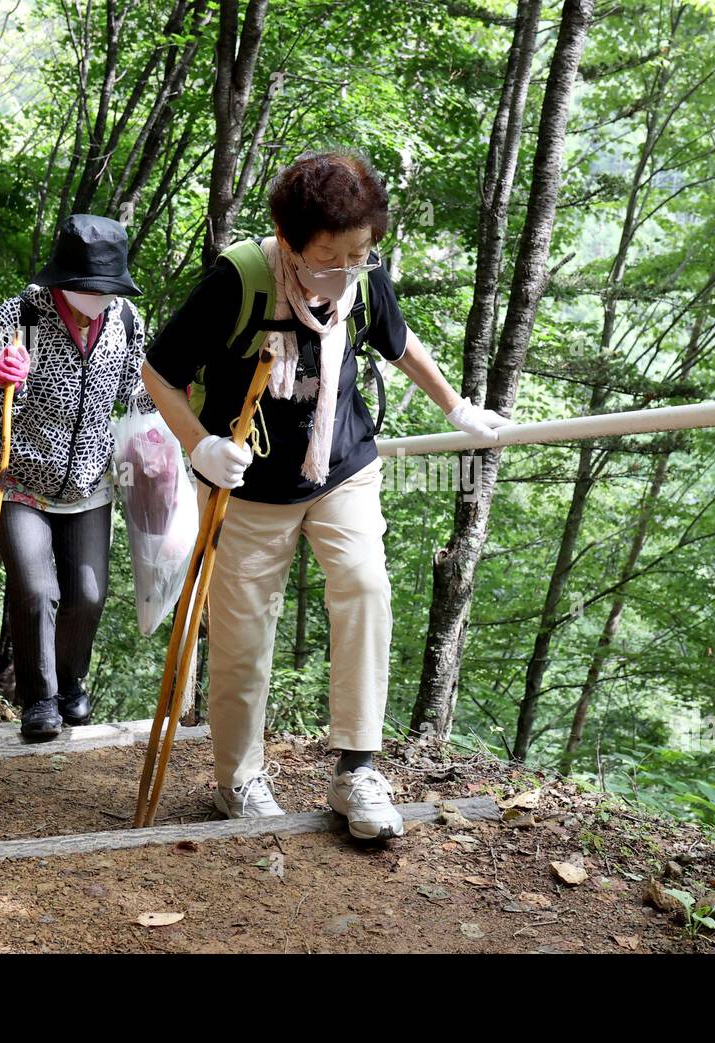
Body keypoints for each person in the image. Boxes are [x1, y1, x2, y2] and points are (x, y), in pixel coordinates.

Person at [143, 150, 508, 840]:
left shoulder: (363, 278)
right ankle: (239, 779)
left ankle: (357, 770)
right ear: (288, 243)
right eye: (330, 257)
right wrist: (199, 443)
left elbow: (399, 345)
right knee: (244, 633)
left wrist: (457, 408)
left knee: (366, 585)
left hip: (341, 466)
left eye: (361, 254)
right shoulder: (238, 280)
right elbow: (159, 372)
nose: (346, 271)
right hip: (247, 485)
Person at [0, 213, 156, 741]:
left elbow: (138, 394)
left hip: (89, 482)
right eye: (87, 287)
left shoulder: (125, 319)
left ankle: (71, 680)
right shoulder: (23, 312)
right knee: (35, 588)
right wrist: (6, 379)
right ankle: (40, 700)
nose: (97, 297)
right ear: (63, 281)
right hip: (19, 478)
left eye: (107, 288)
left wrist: (172, 410)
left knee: (88, 593)